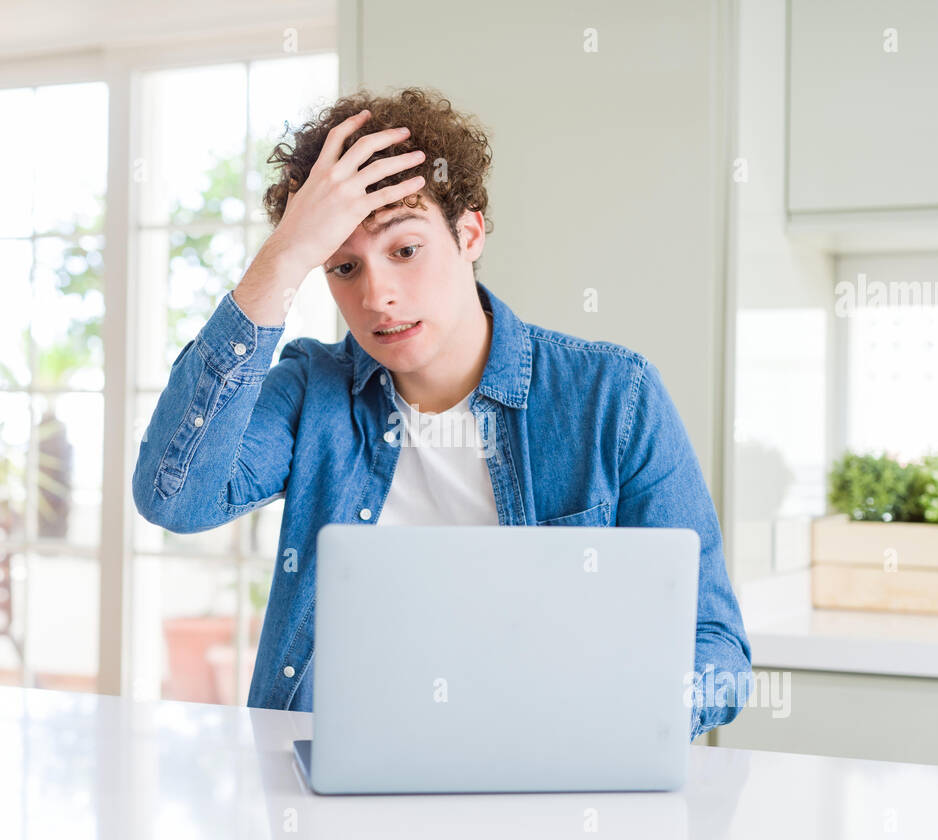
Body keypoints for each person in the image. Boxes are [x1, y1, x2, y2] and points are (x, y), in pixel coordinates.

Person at [132, 88, 751, 739]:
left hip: (550, 795)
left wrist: (599, 723)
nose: (377, 295)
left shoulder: (614, 397)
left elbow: (717, 652)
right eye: (343, 266)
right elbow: (173, 497)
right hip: (339, 805)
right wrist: (283, 257)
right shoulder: (312, 389)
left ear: (469, 232)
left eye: (404, 250)